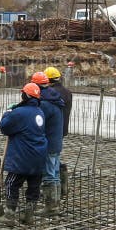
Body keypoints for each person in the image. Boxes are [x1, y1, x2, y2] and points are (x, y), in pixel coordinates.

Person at [0, 82, 47, 226]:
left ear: (26, 96)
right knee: (34, 187)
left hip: (22, 157)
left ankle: (10, 215)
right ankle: (28, 216)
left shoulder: (19, 113)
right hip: (39, 156)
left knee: (11, 184)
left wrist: (8, 112)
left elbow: (4, 127)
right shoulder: (40, 112)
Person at [32, 71, 65, 216]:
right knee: (55, 173)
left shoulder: (45, 103)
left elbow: (37, 123)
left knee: (49, 175)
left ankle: (51, 207)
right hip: (56, 142)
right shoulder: (54, 97)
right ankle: (55, 205)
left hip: (49, 144)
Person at [45, 65, 73, 199]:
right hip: (62, 129)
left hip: (52, 130)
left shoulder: (51, 94)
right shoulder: (67, 92)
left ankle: (53, 197)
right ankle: (62, 187)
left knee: (51, 159)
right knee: (55, 156)